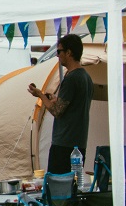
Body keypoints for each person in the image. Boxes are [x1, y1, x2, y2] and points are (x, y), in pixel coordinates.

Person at [27, 33, 94, 175]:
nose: (57, 55)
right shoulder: (86, 77)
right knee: (73, 186)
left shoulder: (72, 78)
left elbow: (57, 111)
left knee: (58, 186)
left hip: (64, 144)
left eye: (59, 51)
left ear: (69, 52)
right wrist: (54, 98)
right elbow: (73, 105)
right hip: (79, 144)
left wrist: (40, 95)